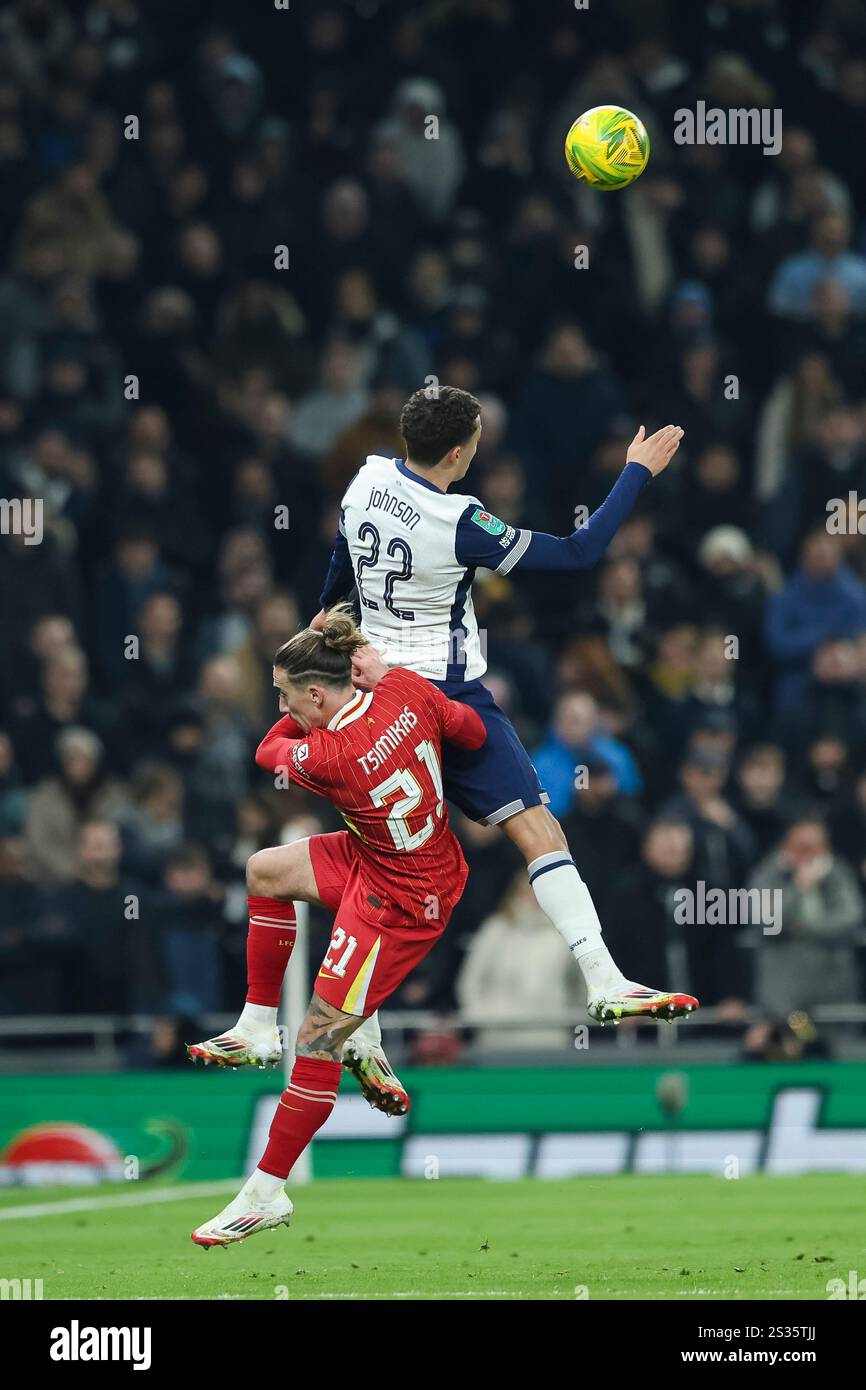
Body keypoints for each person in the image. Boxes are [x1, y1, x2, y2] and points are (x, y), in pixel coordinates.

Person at [313, 385, 698, 1026]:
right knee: (537, 831)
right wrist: (636, 474)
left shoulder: (366, 477)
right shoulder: (460, 520)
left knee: (385, 862)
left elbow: (341, 568)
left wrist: (326, 614)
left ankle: (357, 1025)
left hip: (375, 700)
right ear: (461, 451)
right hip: (444, 694)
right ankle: (604, 978)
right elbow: (579, 552)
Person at [190, 605, 485, 1246]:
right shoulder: (405, 687)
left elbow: (267, 751)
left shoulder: (332, 753)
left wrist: (308, 695)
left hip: (403, 900)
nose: (282, 705)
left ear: (318, 693)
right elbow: (472, 732)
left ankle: (266, 1191)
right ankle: (256, 1028)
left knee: (319, 1036)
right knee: (265, 871)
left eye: (286, 695)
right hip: (385, 855)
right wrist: (390, 681)